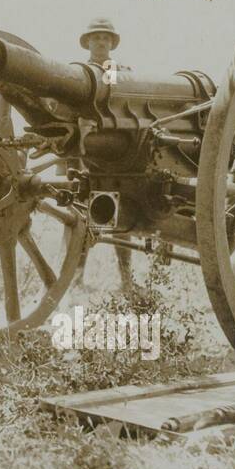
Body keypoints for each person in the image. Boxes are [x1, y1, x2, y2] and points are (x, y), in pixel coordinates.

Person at [77, 17, 133, 289]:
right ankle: (76, 278)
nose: (101, 42)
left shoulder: (118, 69)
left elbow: (114, 93)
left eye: (106, 38)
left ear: (112, 43)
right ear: (87, 42)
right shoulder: (76, 72)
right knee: (82, 219)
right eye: (96, 37)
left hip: (117, 150)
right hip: (86, 151)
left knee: (123, 217)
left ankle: (126, 279)